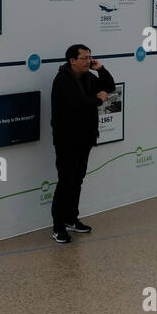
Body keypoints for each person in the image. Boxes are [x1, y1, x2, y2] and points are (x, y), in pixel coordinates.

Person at [50, 43, 115, 243]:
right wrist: (98, 100)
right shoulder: (62, 80)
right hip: (66, 139)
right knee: (66, 181)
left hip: (85, 137)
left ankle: (71, 218)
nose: (88, 61)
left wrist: (101, 69)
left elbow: (110, 86)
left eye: (90, 57)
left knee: (77, 179)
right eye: (84, 58)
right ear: (72, 60)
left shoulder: (88, 77)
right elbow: (76, 104)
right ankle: (58, 226)